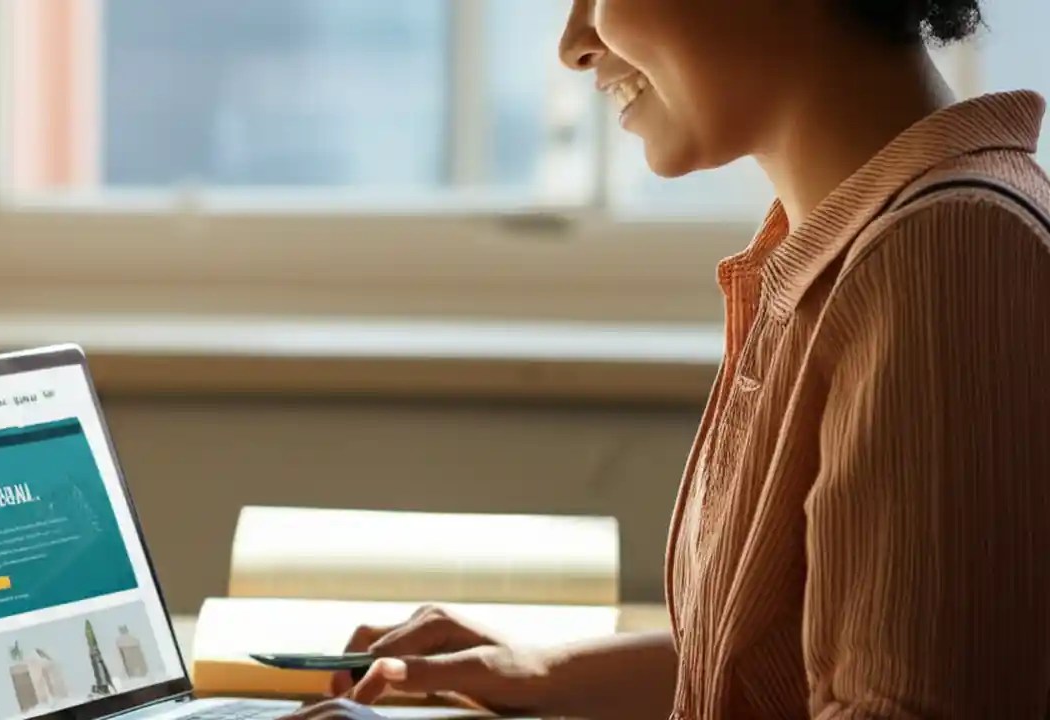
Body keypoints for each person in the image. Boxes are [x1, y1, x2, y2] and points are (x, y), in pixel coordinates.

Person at [284, 0, 1050, 717]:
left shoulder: (947, 255)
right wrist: (539, 673)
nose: (574, 46)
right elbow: (789, 666)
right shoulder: (854, 248)